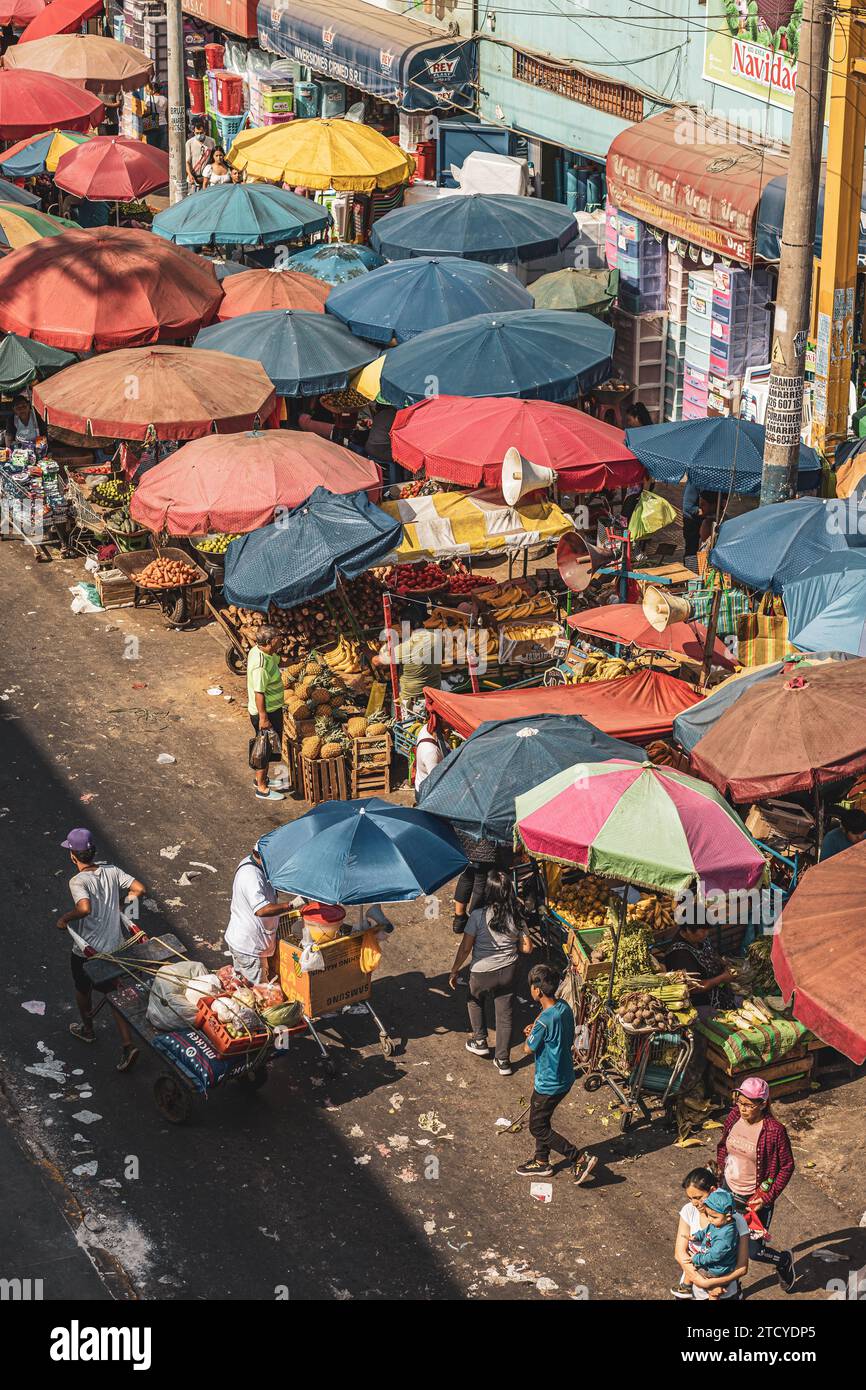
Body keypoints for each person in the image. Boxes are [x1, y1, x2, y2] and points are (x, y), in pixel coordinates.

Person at [56, 828, 145, 1072]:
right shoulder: (112, 871)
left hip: (89, 952)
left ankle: (88, 1029)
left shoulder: (78, 880)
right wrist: (127, 908)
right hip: (116, 946)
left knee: (82, 989)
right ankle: (127, 1043)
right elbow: (138, 888)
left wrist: (65, 919)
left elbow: (83, 908)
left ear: (73, 855)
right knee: (112, 992)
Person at [516, 962, 596, 1183]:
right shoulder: (563, 1008)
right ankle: (541, 1161)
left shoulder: (543, 1020)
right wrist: (536, 1031)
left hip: (548, 1082)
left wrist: (530, 1034)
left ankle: (578, 1157)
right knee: (543, 1119)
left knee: (537, 1127)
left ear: (537, 990)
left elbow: (528, 1048)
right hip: (565, 1077)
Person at [717, 1076, 797, 1291]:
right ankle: (733, 1289)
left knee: (753, 1251)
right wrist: (719, 1175)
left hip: (753, 1201)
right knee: (727, 1242)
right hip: (727, 1191)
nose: (742, 1108)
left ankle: (783, 1260)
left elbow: (787, 1166)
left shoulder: (774, 1131)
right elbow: (723, 1145)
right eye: (740, 1102)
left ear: (763, 1105)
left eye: (749, 1105)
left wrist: (767, 1197)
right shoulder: (734, 1116)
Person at [448, 869, 527, 1075]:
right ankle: (503, 1061)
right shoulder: (517, 913)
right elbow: (527, 948)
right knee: (505, 1016)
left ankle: (480, 1040)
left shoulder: (478, 915)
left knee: (474, 1000)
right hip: (508, 971)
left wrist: (455, 970)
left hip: (481, 973)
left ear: (488, 892)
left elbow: (466, 947)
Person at [673, 1167, 750, 1301]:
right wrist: (702, 1282)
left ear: (713, 1191)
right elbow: (680, 1254)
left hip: (725, 1293)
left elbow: (742, 1268)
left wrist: (712, 1283)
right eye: (690, 1198)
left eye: (698, 1197)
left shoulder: (736, 1221)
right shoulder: (688, 1210)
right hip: (694, 1289)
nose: (694, 1203)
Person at [224, 846, 286, 984]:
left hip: (244, 942)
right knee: (261, 992)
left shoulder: (254, 864)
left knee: (244, 986)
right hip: (250, 948)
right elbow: (262, 910)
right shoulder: (251, 876)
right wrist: (291, 905)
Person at [247, 625, 286, 801]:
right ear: (270, 642)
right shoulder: (260, 666)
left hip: (272, 710)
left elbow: (278, 662)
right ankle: (262, 788)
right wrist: (263, 718)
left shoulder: (263, 652)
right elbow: (259, 693)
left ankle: (261, 780)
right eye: (278, 637)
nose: (282, 639)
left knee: (267, 747)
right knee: (264, 749)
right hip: (266, 713)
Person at [372, 628, 441, 712]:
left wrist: (367, 650)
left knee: (412, 723)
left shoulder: (407, 648)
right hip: (434, 693)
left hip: (414, 700)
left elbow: (376, 661)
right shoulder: (437, 640)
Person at [687, 1189, 740, 1299]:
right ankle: (711, 1287)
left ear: (728, 1216)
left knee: (691, 1267)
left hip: (717, 1270)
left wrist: (697, 1259)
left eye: (714, 1217)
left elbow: (714, 1256)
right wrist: (697, 1236)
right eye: (708, 1215)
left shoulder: (726, 1236)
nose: (710, 1219)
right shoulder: (718, 1223)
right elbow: (707, 1231)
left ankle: (712, 1287)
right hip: (713, 1263)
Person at [185, 117, 215, 189]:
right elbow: (187, 162)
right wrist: (189, 174)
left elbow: (213, 159)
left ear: (204, 131)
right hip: (194, 178)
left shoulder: (211, 141)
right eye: (197, 133)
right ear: (194, 132)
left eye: (201, 133)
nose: (199, 135)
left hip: (207, 178)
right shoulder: (189, 143)